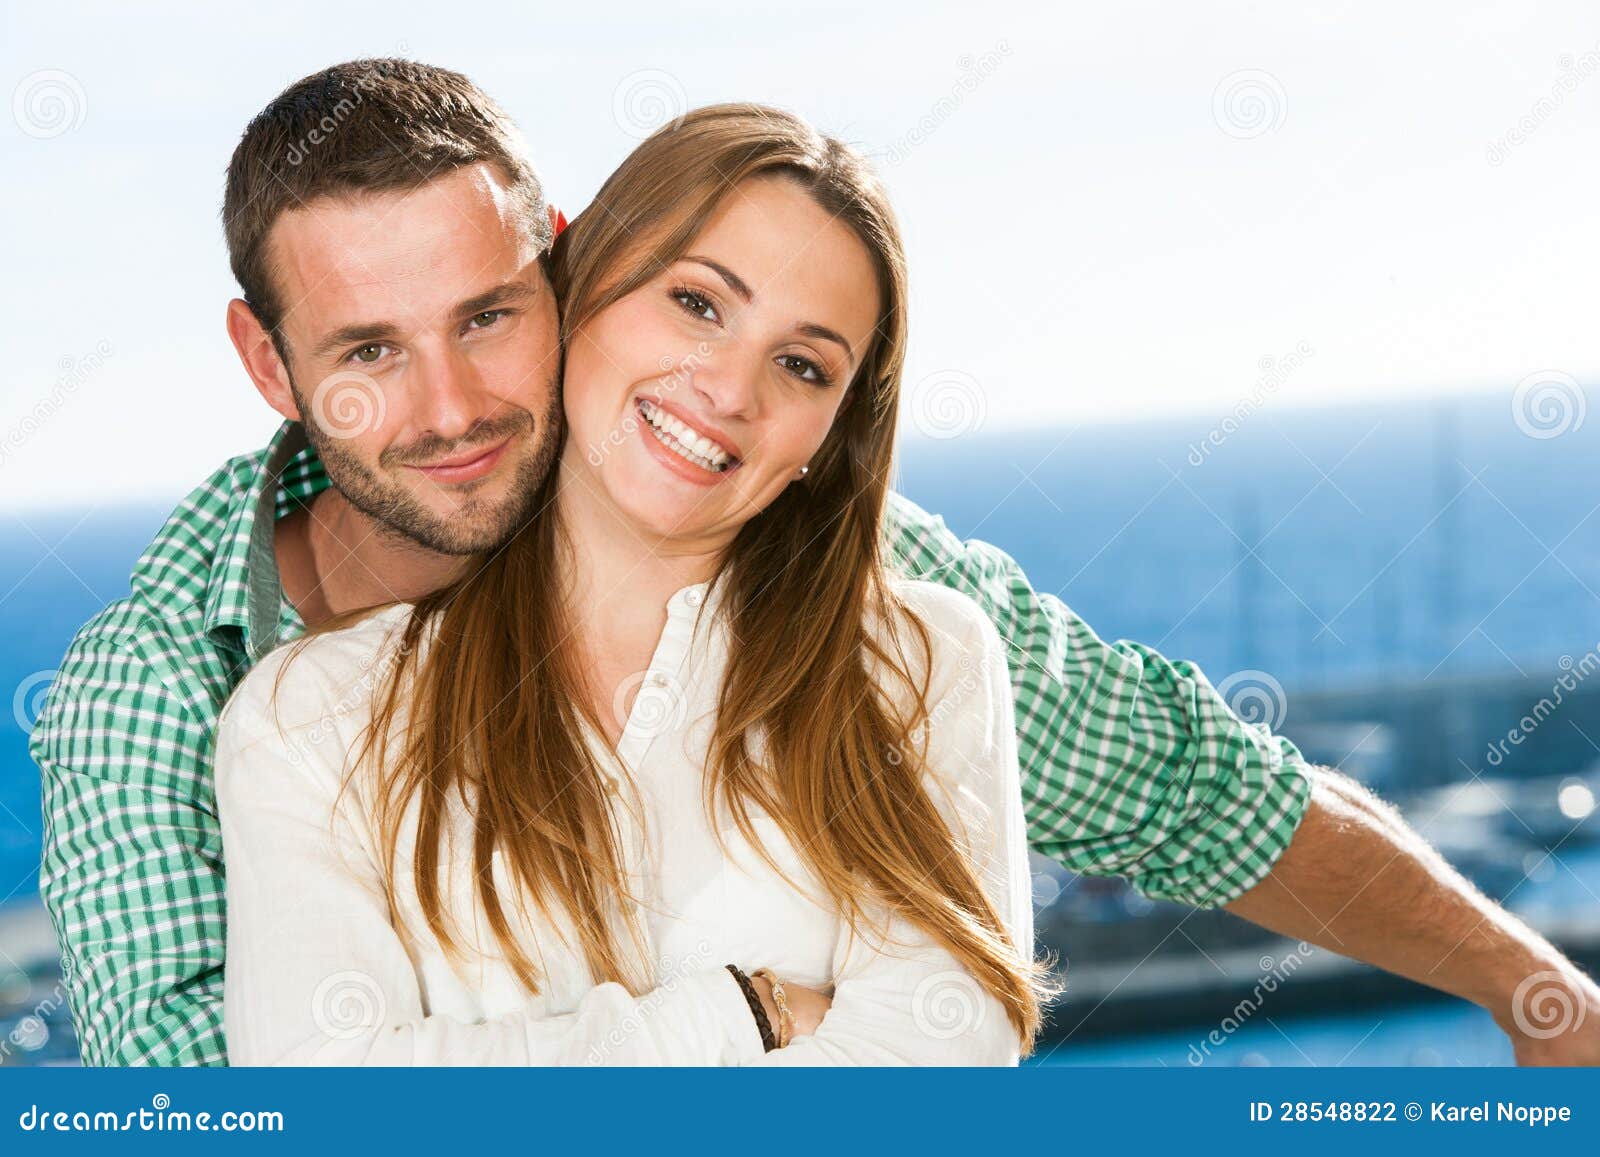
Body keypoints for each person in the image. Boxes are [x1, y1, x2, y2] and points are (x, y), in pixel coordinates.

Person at [30, 58, 1600, 1067]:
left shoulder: (776, 526)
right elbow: (233, 1114)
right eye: (369, 347)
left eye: (489, 316)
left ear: (564, 259)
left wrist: (1533, 990)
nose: (451, 411)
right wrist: (742, 1018)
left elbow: (1177, 782)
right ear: (266, 360)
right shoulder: (169, 699)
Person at [214, 104, 1051, 1063]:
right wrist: (748, 1013)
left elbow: (940, 1072)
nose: (733, 392)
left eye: (802, 364)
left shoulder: (918, 663)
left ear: (835, 435)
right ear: (583, 286)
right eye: (697, 305)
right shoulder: (310, 719)